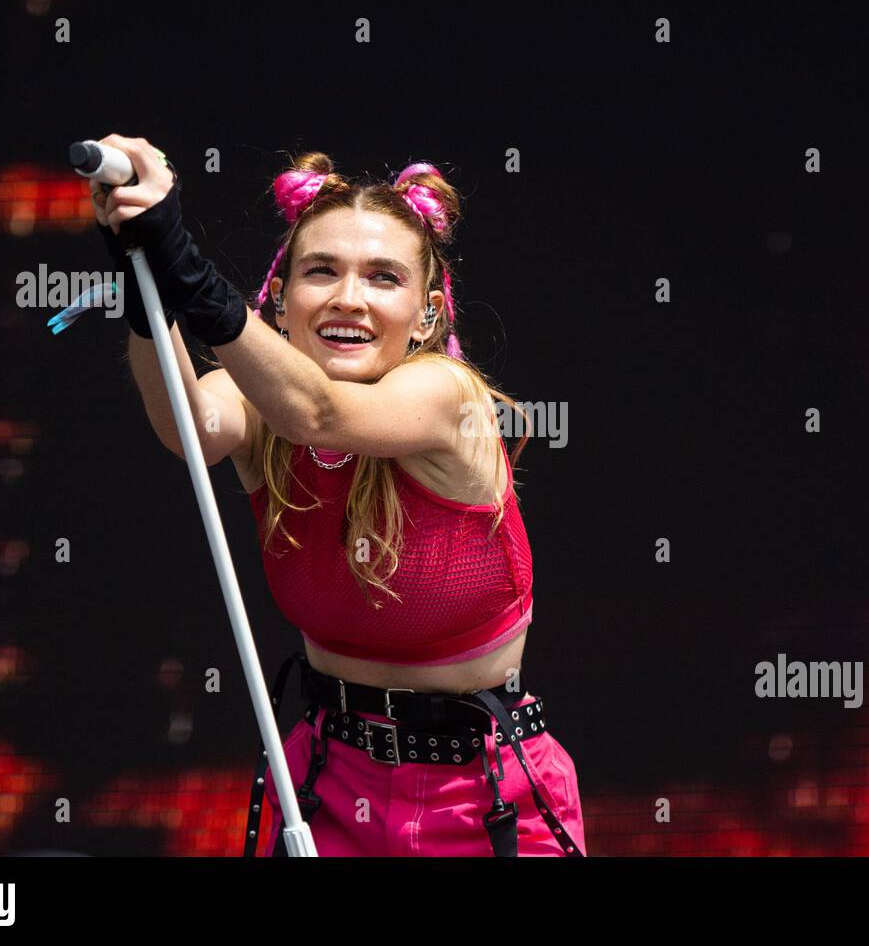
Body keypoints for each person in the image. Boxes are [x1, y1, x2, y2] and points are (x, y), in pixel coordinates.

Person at [88, 134, 586, 856]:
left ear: (427, 314)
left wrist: (184, 260)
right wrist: (147, 288)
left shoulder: (444, 395)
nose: (348, 297)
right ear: (282, 300)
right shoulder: (264, 405)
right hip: (326, 783)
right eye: (321, 270)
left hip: (480, 794)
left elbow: (318, 411)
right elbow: (189, 427)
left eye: (383, 278)